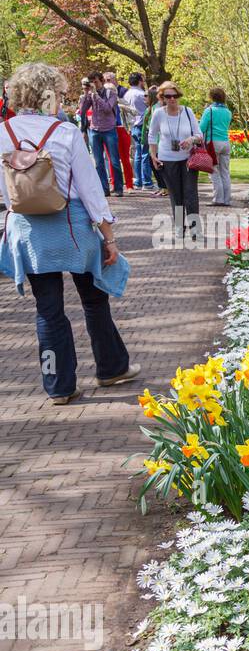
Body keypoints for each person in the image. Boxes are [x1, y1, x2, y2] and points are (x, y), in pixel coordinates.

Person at [0, 62, 138, 405]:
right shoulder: (65, 132)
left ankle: (59, 385)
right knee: (94, 300)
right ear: (49, 96)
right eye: (59, 93)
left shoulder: (3, 133)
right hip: (72, 226)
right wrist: (109, 237)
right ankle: (111, 367)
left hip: (28, 230)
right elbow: (91, 190)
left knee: (48, 310)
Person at [148, 80, 202, 243]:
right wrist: (153, 155)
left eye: (175, 96)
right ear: (162, 97)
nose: (172, 99)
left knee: (190, 194)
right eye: (168, 96)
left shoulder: (187, 112)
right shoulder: (158, 113)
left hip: (188, 160)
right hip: (167, 160)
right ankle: (179, 228)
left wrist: (191, 140)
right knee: (176, 196)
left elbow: (199, 134)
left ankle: (195, 230)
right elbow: (152, 135)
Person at [81, 72, 124, 197]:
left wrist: (95, 95)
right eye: (91, 82)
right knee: (99, 162)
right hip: (95, 130)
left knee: (114, 161)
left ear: (101, 81)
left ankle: (118, 188)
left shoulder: (111, 93)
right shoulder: (90, 94)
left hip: (109, 129)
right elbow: (82, 110)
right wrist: (85, 94)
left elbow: (107, 108)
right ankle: (104, 189)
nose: (93, 84)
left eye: (95, 81)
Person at [199, 87, 233, 206]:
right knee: (225, 171)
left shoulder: (210, 111)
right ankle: (227, 199)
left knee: (213, 171)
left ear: (212, 97)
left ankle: (218, 199)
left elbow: (201, 128)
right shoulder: (228, 112)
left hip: (213, 143)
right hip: (225, 142)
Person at [122, 74, 153, 192]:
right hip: (142, 125)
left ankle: (139, 181)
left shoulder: (126, 94)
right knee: (145, 153)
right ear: (140, 81)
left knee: (137, 154)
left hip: (132, 125)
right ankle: (147, 182)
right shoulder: (142, 94)